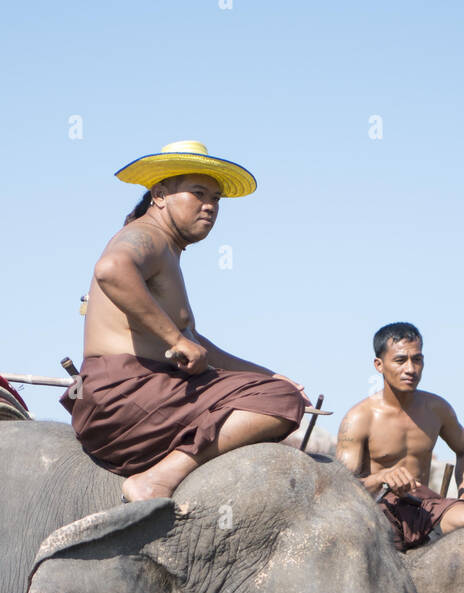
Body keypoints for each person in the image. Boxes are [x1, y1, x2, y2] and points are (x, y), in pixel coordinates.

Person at [62, 140, 310, 500]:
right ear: (160, 195)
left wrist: (267, 376)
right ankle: (159, 478)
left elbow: (198, 346)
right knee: (282, 402)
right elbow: (111, 270)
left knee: (278, 391)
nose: (210, 206)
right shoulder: (146, 236)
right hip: (125, 397)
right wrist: (175, 341)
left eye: (216, 199)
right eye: (198, 193)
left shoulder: (166, 249)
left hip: (143, 394)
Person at [334, 322, 464, 550]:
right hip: (377, 507)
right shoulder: (359, 418)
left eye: (417, 360)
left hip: (423, 505)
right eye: (400, 360)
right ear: (379, 364)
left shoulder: (437, 408)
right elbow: (341, 487)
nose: (411, 369)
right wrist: (381, 477)